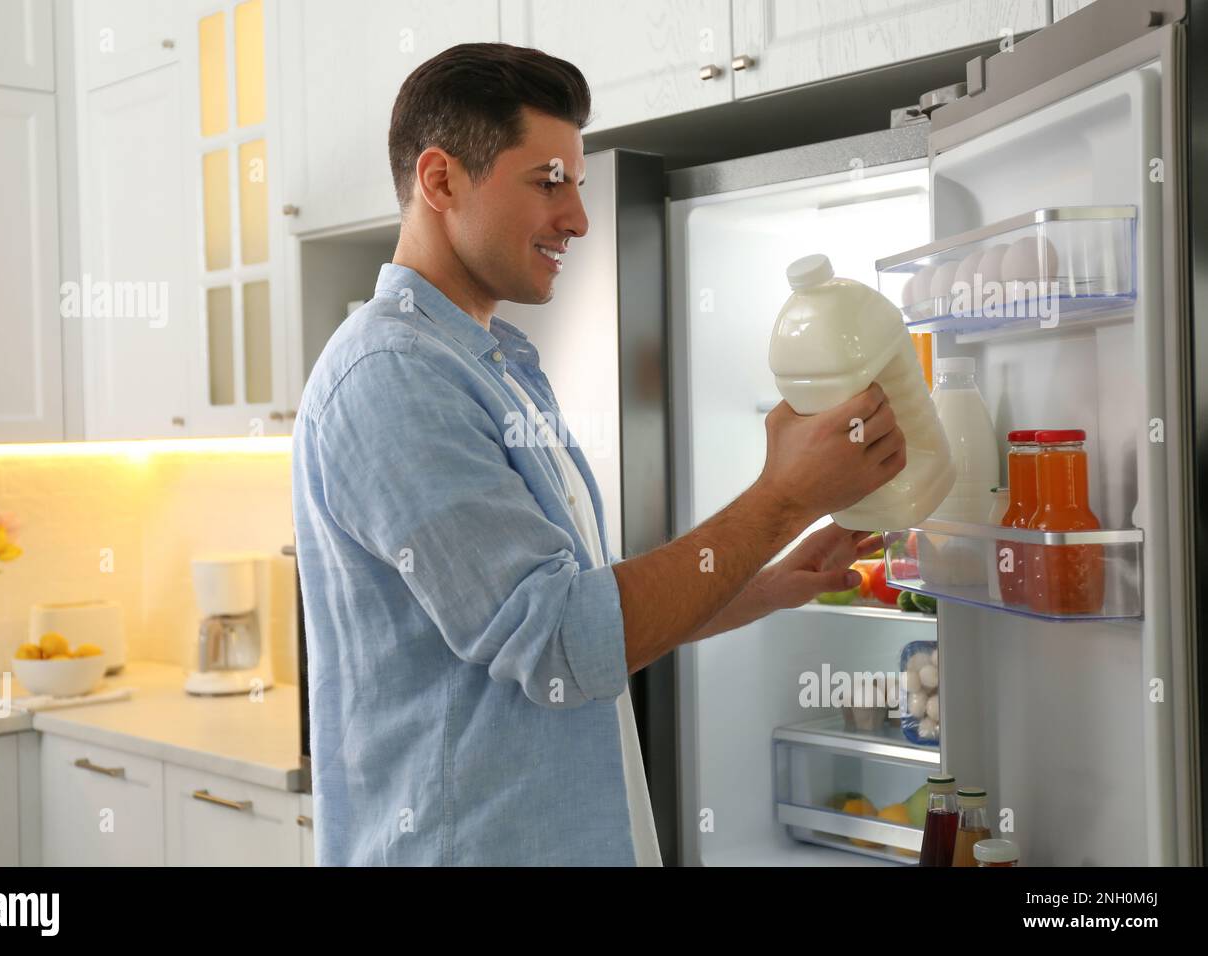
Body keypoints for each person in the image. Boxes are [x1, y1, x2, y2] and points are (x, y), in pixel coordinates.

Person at [290, 42, 904, 866]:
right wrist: (782, 498)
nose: (579, 216)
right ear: (441, 181)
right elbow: (557, 642)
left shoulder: (490, 362)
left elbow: (585, 611)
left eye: (578, 184)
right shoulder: (393, 377)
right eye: (549, 181)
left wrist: (766, 582)